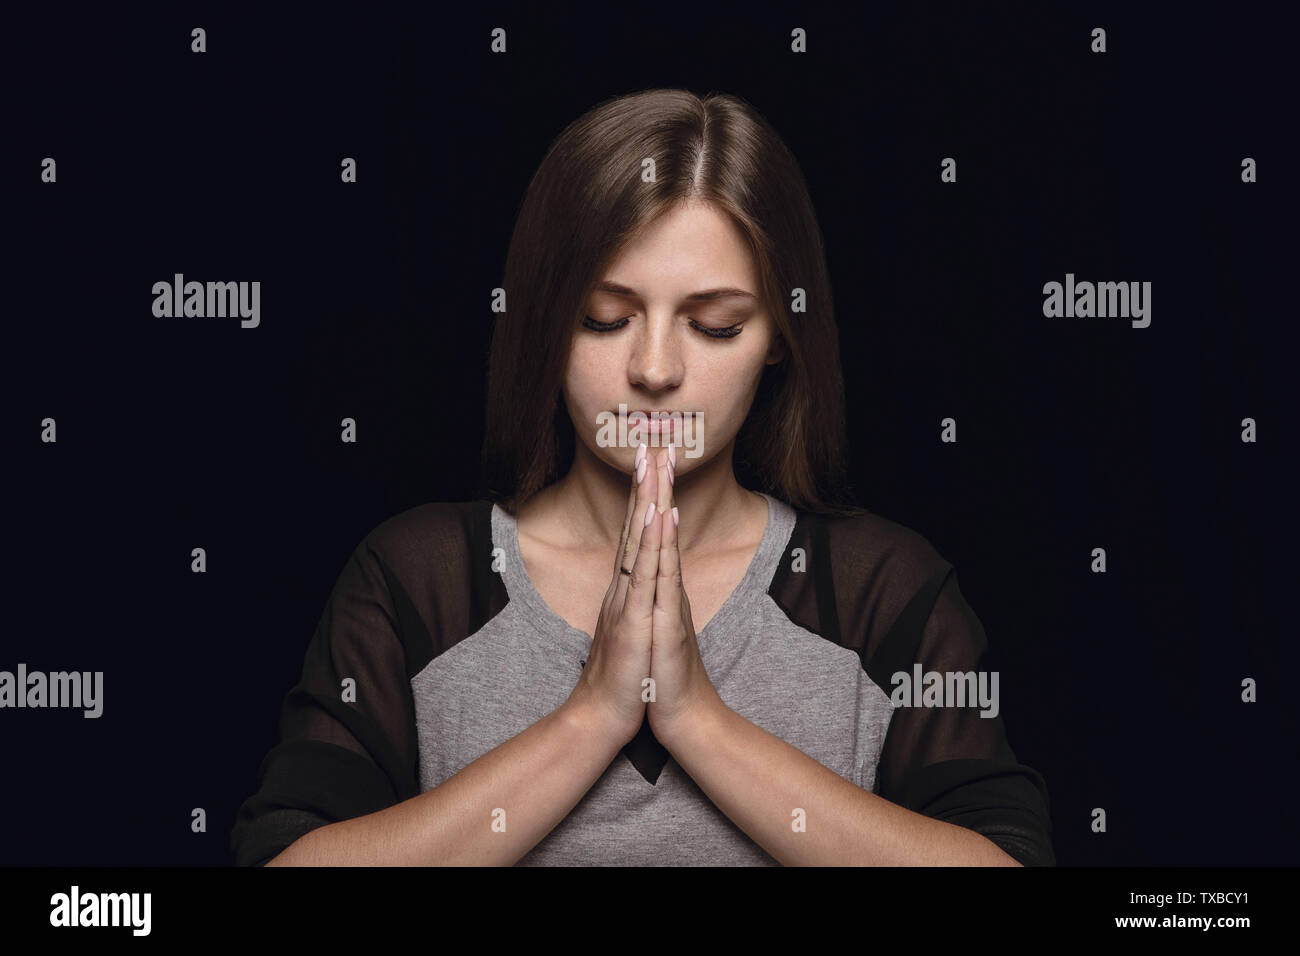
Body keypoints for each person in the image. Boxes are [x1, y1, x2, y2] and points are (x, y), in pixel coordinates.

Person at [230, 88, 1054, 866]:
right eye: (604, 318)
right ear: (547, 323)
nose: (654, 369)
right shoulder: (418, 578)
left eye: (714, 325)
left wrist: (698, 718)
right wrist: (592, 716)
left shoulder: (881, 591)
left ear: (778, 337)